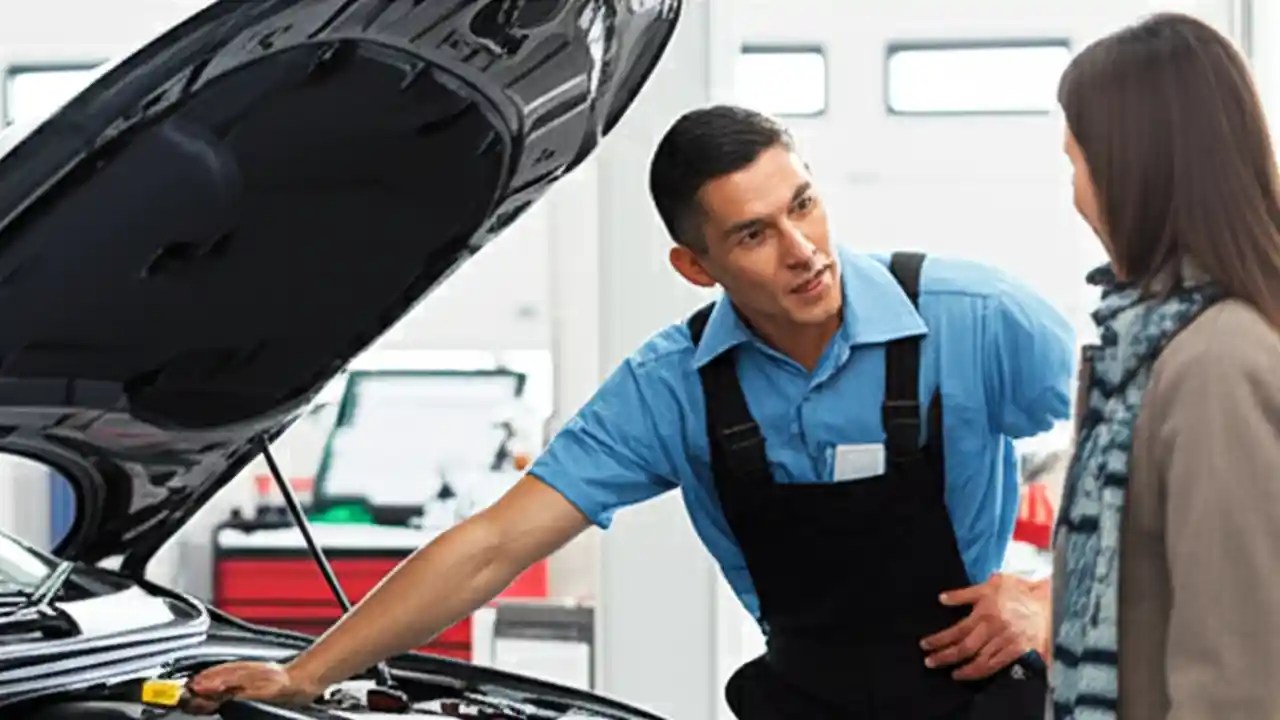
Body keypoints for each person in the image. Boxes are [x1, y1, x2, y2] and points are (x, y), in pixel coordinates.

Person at [183, 105, 1075, 718]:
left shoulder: (976, 317)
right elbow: (494, 543)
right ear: (698, 266)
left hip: (985, 705)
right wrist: (303, 675)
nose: (804, 252)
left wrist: (1047, 596)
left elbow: (1154, 452)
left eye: (803, 205)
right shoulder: (671, 387)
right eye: (754, 234)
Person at [1050, 12, 1280, 720]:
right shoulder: (1152, 351)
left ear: (1130, 170)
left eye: (1075, 165)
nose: (1075, 197)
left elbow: (1238, 687)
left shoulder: (1216, 365)